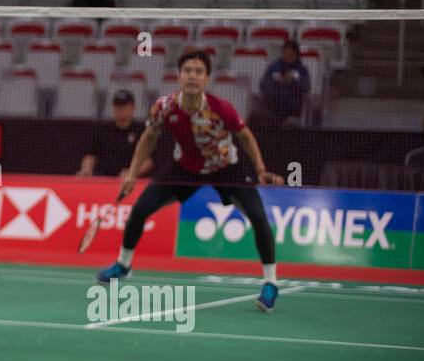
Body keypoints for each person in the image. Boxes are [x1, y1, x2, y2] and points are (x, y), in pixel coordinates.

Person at [96, 50, 286, 311]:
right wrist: (132, 172)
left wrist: (261, 168)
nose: (192, 76)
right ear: (179, 76)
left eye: (198, 72)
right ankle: (123, 265)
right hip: (184, 168)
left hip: (226, 168)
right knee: (140, 210)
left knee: (258, 218)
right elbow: (150, 136)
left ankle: (271, 283)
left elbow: (244, 136)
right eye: (187, 71)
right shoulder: (165, 106)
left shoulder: (221, 109)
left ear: (206, 79)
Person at [78, 90, 154, 177]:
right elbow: (91, 155)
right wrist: (86, 169)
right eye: (117, 106)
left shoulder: (142, 131)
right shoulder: (102, 130)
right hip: (102, 178)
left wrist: (131, 173)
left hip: (128, 180)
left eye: (123, 106)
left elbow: (147, 162)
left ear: (133, 107)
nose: (120, 109)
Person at [256, 40, 311, 126]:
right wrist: (276, 82)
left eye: (290, 54)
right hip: (273, 104)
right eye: (285, 53)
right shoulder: (274, 67)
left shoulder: (301, 70)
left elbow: (305, 86)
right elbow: (263, 84)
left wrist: (292, 81)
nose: (287, 56)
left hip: (292, 106)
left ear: (296, 55)